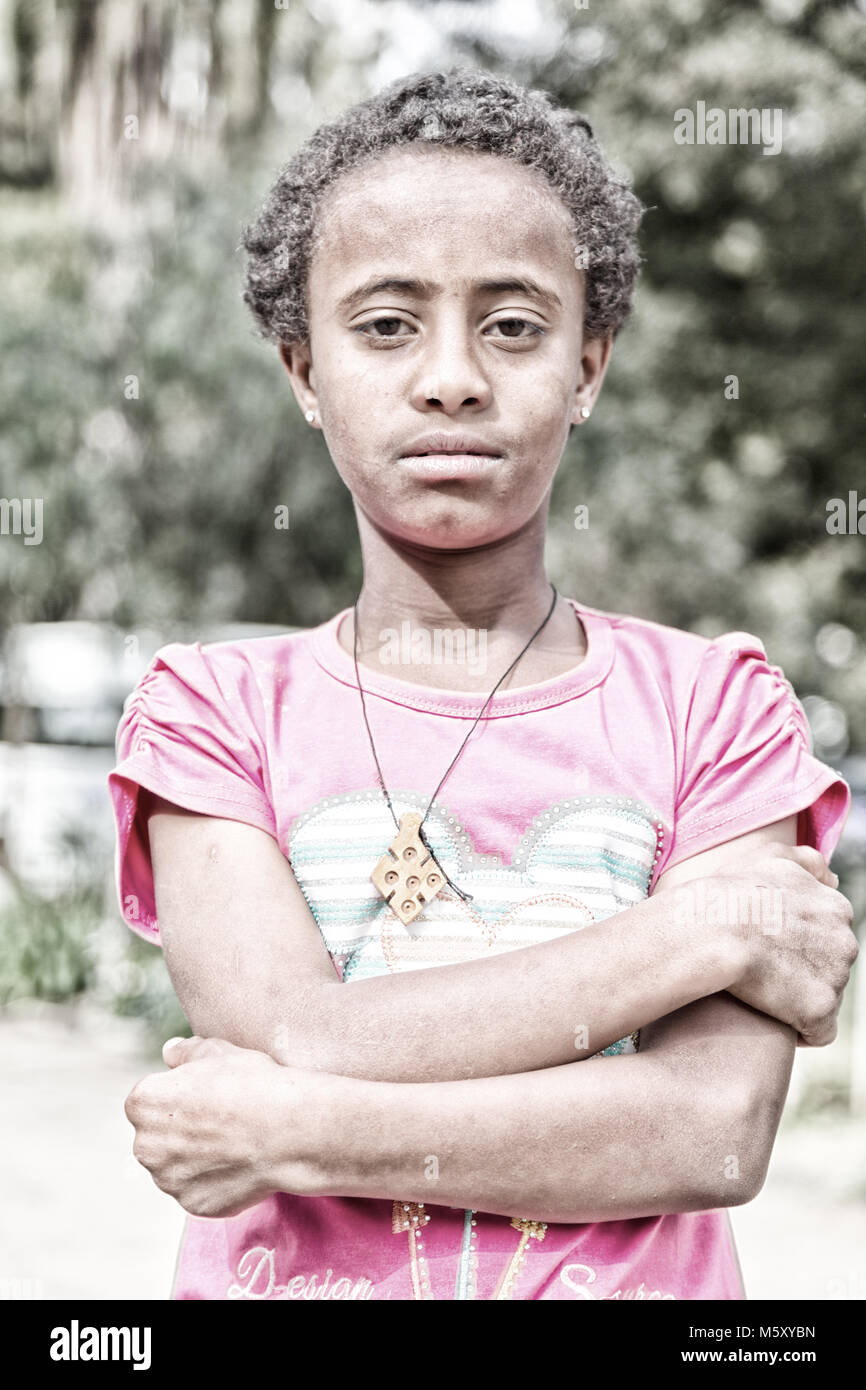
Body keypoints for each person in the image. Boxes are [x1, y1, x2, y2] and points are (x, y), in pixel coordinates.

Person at [111, 68, 857, 1302]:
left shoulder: (712, 708)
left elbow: (708, 1133)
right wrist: (697, 931)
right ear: (302, 369)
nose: (450, 377)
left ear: (589, 365)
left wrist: (294, 1130)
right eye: (386, 324)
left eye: (511, 324)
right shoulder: (212, 714)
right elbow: (295, 1030)